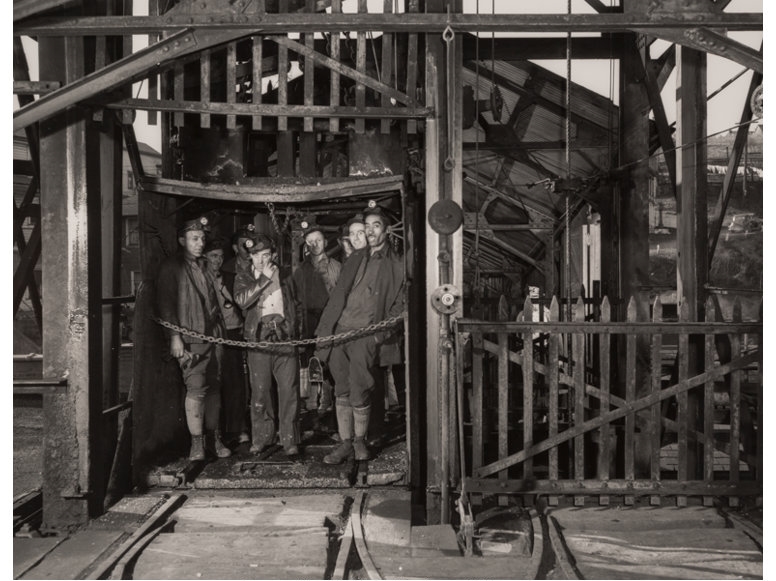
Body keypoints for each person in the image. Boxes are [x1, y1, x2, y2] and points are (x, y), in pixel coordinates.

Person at [315, 202, 405, 464]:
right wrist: (326, 332)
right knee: (342, 388)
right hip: (340, 331)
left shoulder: (396, 264)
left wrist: (378, 334)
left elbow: (401, 304)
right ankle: (345, 444)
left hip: (366, 333)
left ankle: (359, 442)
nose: (370, 231)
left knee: (361, 387)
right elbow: (337, 297)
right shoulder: (355, 257)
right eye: (367, 227)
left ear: (386, 231)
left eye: (376, 226)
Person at [157, 216, 231, 461]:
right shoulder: (172, 268)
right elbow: (167, 306)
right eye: (194, 239)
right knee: (197, 390)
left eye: (202, 239)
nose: (200, 243)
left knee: (215, 389)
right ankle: (197, 443)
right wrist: (175, 338)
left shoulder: (206, 266)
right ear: (182, 241)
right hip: (191, 339)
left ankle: (214, 438)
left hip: (215, 338)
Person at [233, 233, 302, 457]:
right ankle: (262, 438)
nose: (261, 261)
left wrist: (297, 333)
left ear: (272, 255)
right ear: (250, 258)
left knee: (288, 392)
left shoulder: (288, 276)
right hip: (259, 340)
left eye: (265, 255)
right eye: (256, 256)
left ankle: (289, 439)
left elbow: (298, 305)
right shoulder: (243, 277)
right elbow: (243, 301)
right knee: (260, 393)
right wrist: (263, 279)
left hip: (285, 339)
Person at [290, 221, 341, 418]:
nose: (314, 244)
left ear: (325, 242)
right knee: (312, 362)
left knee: (331, 362)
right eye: (310, 241)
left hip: (329, 320)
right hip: (308, 321)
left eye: (318, 240)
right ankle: (316, 400)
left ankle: (330, 402)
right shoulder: (301, 271)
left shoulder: (336, 268)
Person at [204, 239, 249, 446]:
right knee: (214, 384)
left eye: (221, 256)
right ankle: (215, 433)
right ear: (204, 257)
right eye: (214, 256)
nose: (218, 260)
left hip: (233, 335)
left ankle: (236, 429)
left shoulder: (230, 278)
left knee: (235, 384)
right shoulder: (200, 280)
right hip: (211, 336)